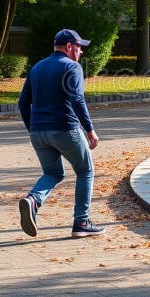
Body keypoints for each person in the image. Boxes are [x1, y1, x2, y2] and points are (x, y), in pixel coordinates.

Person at [17, 28, 106, 238]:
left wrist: (33, 129)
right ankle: (81, 222)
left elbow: (22, 103)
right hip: (65, 129)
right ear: (68, 47)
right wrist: (90, 130)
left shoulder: (37, 67)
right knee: (85, 171)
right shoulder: (72, 67)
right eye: (79, 47)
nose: (81, 52)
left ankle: (33, 200)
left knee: (53, 173)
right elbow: (78, 100)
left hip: (39, 132)